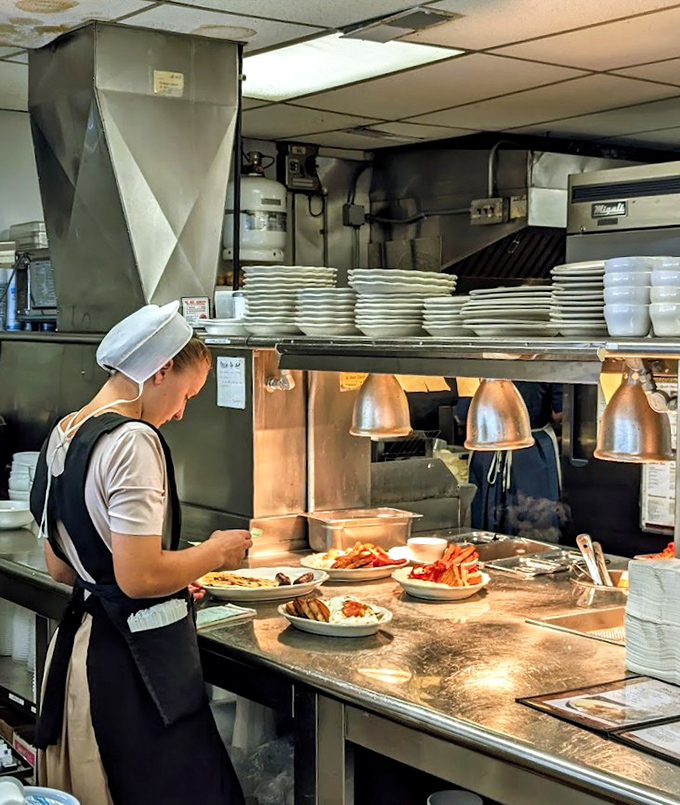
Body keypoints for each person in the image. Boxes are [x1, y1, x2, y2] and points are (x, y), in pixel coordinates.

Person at [29, 301, 249, 805]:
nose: (180, 411)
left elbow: (61, 567)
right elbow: (138, 577)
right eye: (186, 394)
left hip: (86, 653)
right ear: (161, 369)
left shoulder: (64, 433)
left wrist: (173, 571)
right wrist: (214, 552)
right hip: (136, 674)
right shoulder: (132, 441)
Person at [456, 382, 563, 537]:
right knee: (536, 524)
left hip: (487, 445)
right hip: (529, 451)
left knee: (487, 525)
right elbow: (559, 413)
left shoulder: (476, 359)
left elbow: (462, 414)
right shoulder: (547, 360)